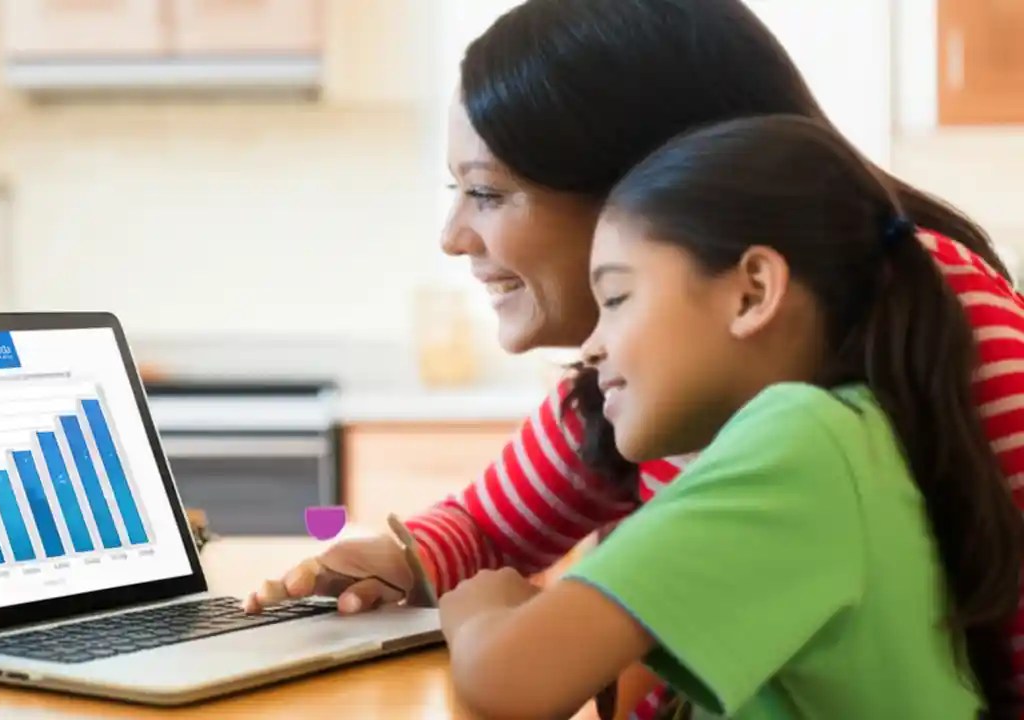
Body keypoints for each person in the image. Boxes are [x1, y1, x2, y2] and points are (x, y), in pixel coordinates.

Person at [245, 0, 1024, 713]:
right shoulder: (672, 379)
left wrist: (492, 610)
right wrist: (401, 564)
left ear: (654, 185)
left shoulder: (907, 340)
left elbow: (515, 675)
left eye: (485, 193)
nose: (452, 236)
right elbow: (488, 530)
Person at [438, 114, 1024, 720]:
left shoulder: (800, 443)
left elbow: (511, 682)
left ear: (751, 293)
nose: (591, 347)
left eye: (615, 299)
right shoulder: (849, 438)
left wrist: (480, 607)